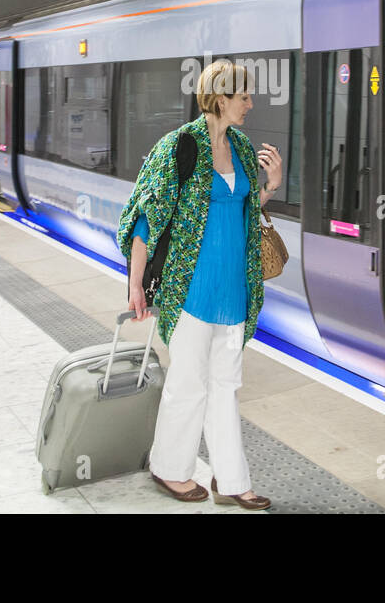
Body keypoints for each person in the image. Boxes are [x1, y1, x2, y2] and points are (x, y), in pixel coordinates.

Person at [117, 60, 282, 510]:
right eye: (243, 96)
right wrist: (136, 286)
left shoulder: (242, 147)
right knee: (189, 385)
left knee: (226, 385)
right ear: (220, 97)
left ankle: (232, 482)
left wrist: (270, 186)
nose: (250, 103)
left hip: (235, 288)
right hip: (189, 288)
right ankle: (170, 469)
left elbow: (244, 208)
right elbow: (145, 220)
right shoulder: (179, 146)